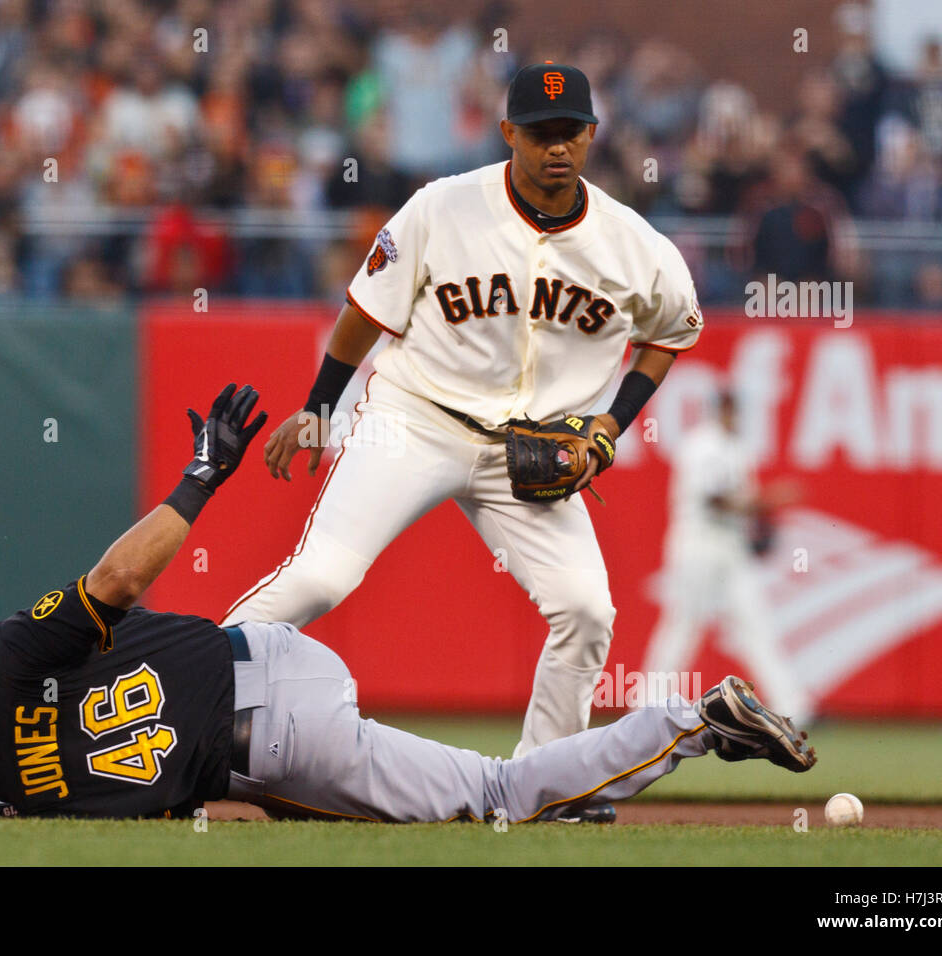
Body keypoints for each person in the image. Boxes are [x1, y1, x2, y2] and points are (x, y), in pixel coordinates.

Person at [0, 384, 816, 824]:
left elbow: (15, 792)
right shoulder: (8, 656)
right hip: (265, 677)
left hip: (261, 738)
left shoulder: (22, 794)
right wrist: (200, 477)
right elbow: (116, 583)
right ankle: (692, 719)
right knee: (482, 788)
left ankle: (685, 725)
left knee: (494, 795)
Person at [222, 63, 704, 789]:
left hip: (531, 451)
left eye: (570, 131)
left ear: (592, 135)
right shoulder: (440, 209)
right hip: (416, 420)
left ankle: (546, 784)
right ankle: (185, 699)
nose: (557, 147)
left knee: (585, 610)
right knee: (321, 577)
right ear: (508, 132)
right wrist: (321, 407)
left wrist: (608, 426)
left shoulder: (637, 247)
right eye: (540, 133)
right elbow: (366, 311)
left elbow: (674, 332)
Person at [642, 391, 811, 724]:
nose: (734, 416)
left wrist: (758, 519)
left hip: (730, 547)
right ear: (718, 410)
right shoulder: (703, 445)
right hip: (700, 545)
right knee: (683, 624)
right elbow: (715, 500)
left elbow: (738, 503)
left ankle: (795, 709)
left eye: (737, 410)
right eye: (730, 409)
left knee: (756, 626)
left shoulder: (735, 447)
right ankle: (647, 706)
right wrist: (769, 500)